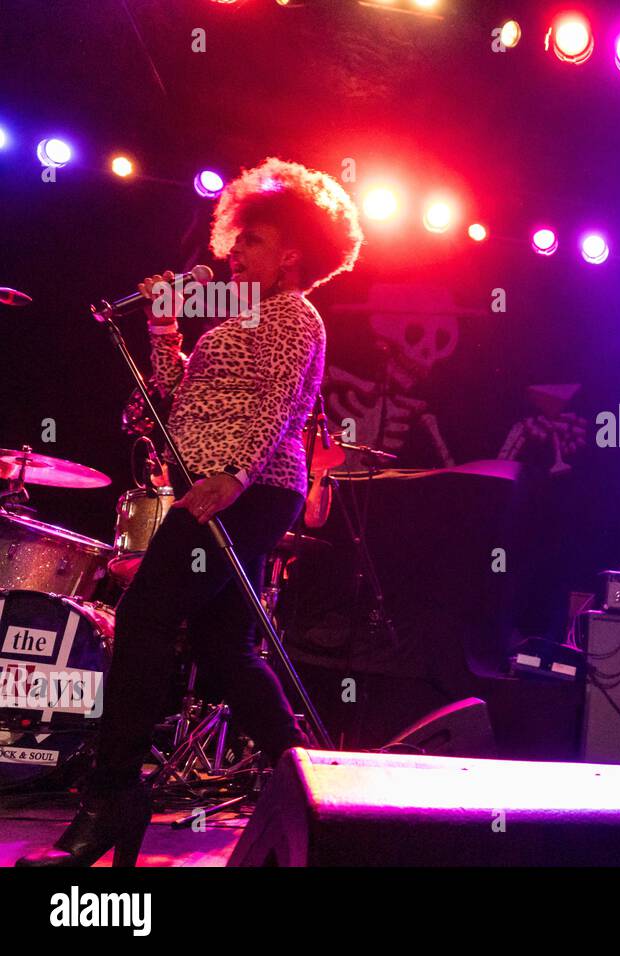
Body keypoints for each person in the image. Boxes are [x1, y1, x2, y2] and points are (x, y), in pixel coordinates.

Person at [19, 157, 363, 867]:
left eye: (254, 239)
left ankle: (113, 793)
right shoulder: (236, 317)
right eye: (238, 238)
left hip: (247, 489)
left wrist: (232, 477)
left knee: (145, 616)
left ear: (292, 251)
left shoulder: (295, 317)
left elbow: (272, 406)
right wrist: (165, 328)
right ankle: (316, 778)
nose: (235, 251)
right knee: (223, 650)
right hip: (212, 485)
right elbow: (169, 396)